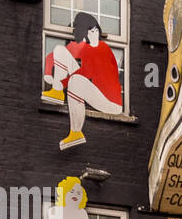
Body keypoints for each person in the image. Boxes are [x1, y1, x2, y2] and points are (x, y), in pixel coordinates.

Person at [42, 10, 124, 150]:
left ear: (94, 31)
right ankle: (57, 92)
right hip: (95, 93)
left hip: (110, 103)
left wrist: (63, 82)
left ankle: (76, 132)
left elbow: (87, 72)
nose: (84, 38)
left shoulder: (103, 49)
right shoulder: (87, 49)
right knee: (60, 50)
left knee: (76, 81)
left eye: (86, 33)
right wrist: (52, 75)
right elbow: (60, 56)